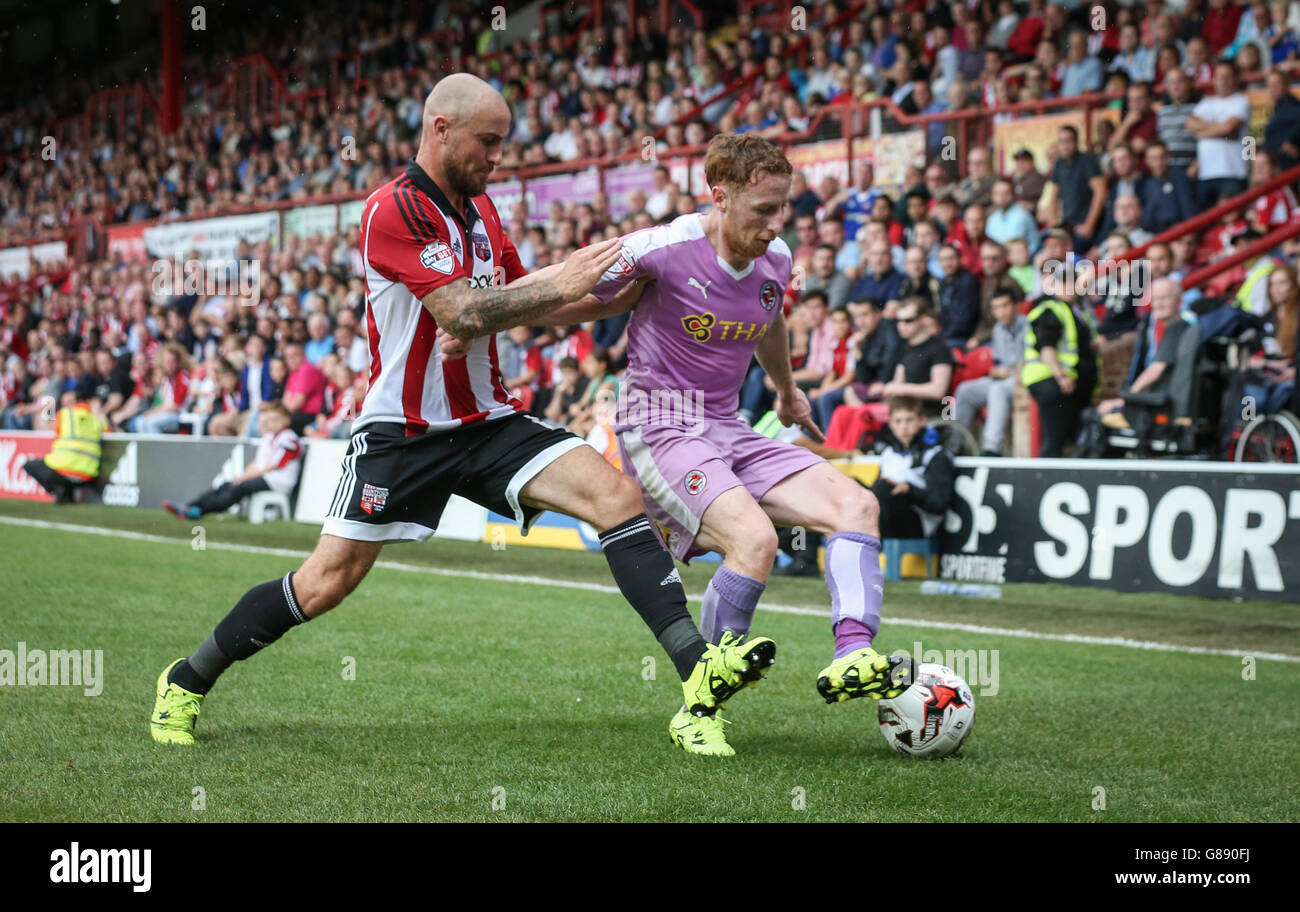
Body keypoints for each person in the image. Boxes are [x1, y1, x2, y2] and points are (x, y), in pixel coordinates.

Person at [151, 75, 770, 751]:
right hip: (403, 432)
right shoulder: (394, 208)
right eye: (489, 141)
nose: (498, 157)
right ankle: (185, 679)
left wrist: (621, 291)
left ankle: (698, 669)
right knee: (326, 582)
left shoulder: (484, 212)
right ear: (441, 129)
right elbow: (462, 310)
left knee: (616, 494)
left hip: (488, 422)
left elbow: (528, 299)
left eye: (503, 144)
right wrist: (515, 298)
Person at [534, 132, 912, 757]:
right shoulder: (666, 245)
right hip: (658, 421)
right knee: (755, 539)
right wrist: (489, 314)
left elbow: (770, 316)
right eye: (764, 208)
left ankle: (854, 653)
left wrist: (787, 391)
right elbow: (570, 279)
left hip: (727, 423)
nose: (777, 223)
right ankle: (698, 706)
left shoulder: (777, 258)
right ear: (720, 196)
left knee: (858, 507)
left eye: (783, 206)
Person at [163, 403, 303, 519]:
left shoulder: (289, 439)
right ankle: (191, 506)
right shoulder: (269, 438)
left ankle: (200, 511)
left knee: (238, 488)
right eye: (270, 420)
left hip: (278, 482)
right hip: (265, 478)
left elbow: (273, 466)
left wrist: (245, 478)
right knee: (227, 485)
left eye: (276, 420)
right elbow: (258, 463)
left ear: (286, 420)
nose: (271, 424)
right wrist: (242, 476)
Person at [1022, 260, 1100, 457]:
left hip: (1069, 385)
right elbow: (1046, 347)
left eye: (1073, 282)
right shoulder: (1050, 309)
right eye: (1064, 283)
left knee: (1073, 438)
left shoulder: (1076, 311)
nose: (1070, 287)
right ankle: (1044, 480)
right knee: (1055, 439)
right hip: (1051, 380)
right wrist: (1060, 376)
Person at [1097, 278, 1196, 428]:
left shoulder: (1178, 327)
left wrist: (1125, 399)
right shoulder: (1155, 328)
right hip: (1158, 401)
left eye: (1165, 298)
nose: (1160, 304)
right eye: (1156, 299)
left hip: (1164, 407)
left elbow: (1156, 370)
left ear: (1179, 301)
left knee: (1096, 417)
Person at [867, 396, 955, 540]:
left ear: (922, 421)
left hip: (918, 525)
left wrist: (909, 490)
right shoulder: (888, 453)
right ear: (891, 424)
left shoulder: (935, 454)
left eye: (909, 420)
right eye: (898, 421)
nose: (903, 427)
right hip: (886, 517)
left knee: (883, 488)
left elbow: (939, 504)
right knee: (850, 485)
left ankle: (869, 546)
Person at [954, 290, 1028, 456]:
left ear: (1016, 305)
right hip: (1004, 379)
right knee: (965, 390)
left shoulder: (1029, 326)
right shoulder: (998, 330)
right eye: (996, 308)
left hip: (1023, 380)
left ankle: (991, 448)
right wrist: (995, 371)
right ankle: (955, 443)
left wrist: (1008, 372)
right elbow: (996, 363)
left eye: (1005, 305)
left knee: (998, 390)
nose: (1001, 311)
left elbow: (1031, 363)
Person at [22, 390, 106, 504]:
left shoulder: (65, 414)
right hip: (89, 475)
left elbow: (45, 429)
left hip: (65, 469)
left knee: (29, 465)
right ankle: (65, 492)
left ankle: (60, 490)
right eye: (64, 403)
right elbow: (108, 430)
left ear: (78, 401)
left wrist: (46, 408)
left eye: (69, 402)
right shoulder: (95, 419)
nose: (66, 406)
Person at [1186, 61, 1252, 208]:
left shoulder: (1242, 101)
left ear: (1235, 79)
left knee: (1232, 221)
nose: (1223, 81)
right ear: (1214, 79)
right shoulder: (1205, 103)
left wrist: (1202, 133)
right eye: (1220, 77)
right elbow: (1190, 124)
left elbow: (1229, 128)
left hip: (1233, 171)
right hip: (1206, 173)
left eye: (1227, 76)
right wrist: (1219, 128)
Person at [881, 296, 955, 418]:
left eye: (908, 320)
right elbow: (898, 382)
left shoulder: (939, 348)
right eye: (898, 321)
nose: (901, 325)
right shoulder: (905, 348)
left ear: (924, 319)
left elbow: (938, 390)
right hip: (904, 413)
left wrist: (900, 389)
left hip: (930, 415)